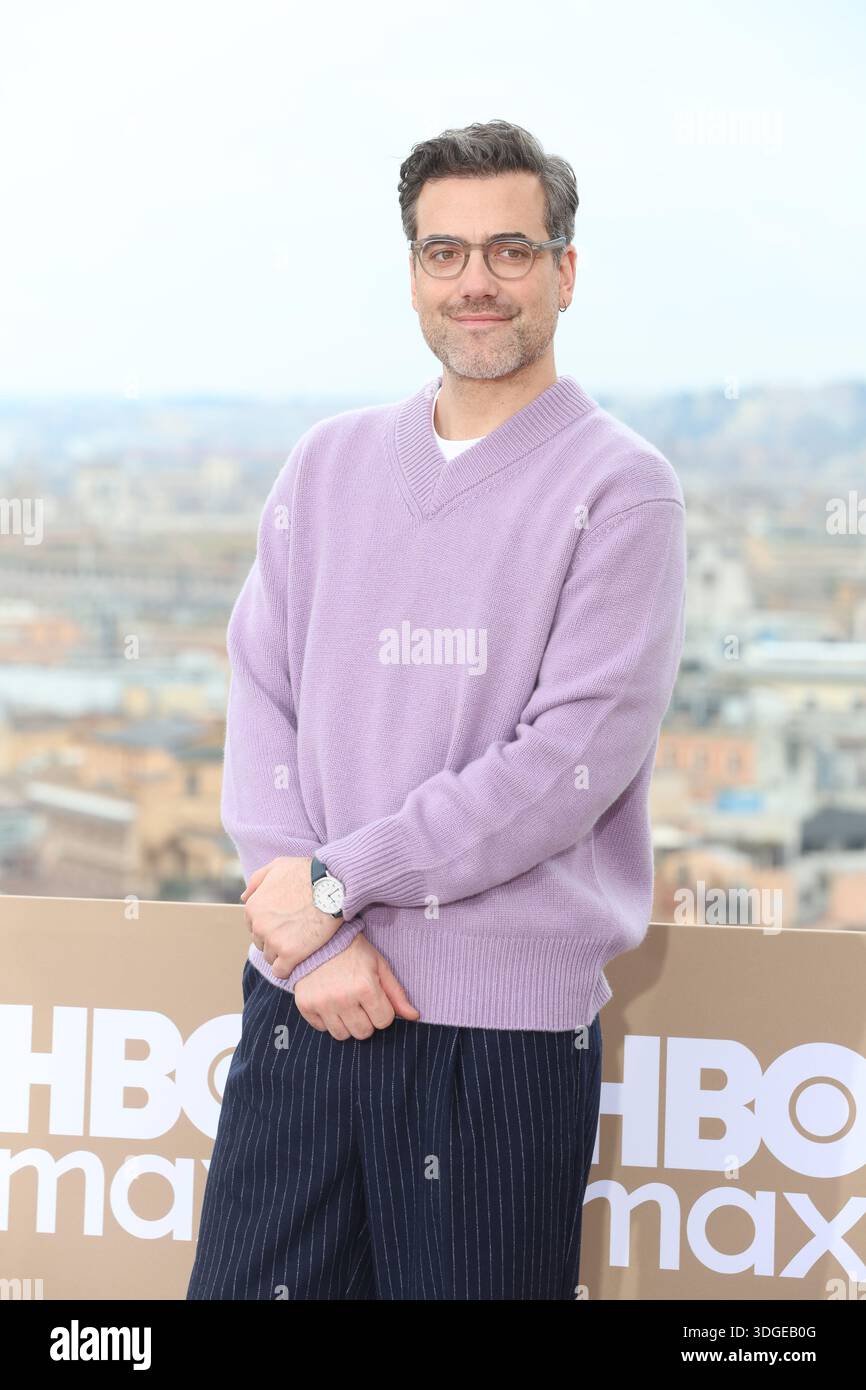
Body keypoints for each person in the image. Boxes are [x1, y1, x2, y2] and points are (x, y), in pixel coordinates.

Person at [186, 118, 686, 1301]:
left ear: (564, 271)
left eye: (509, 251)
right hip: (304, 1002)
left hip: (498, 1042)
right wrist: (315, 938)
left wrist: (329, 886)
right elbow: (261, 691)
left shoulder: (621, 491)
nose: (475, 282)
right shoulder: (326, 462)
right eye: (443, 252)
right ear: (411, 272)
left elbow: (565, 765)